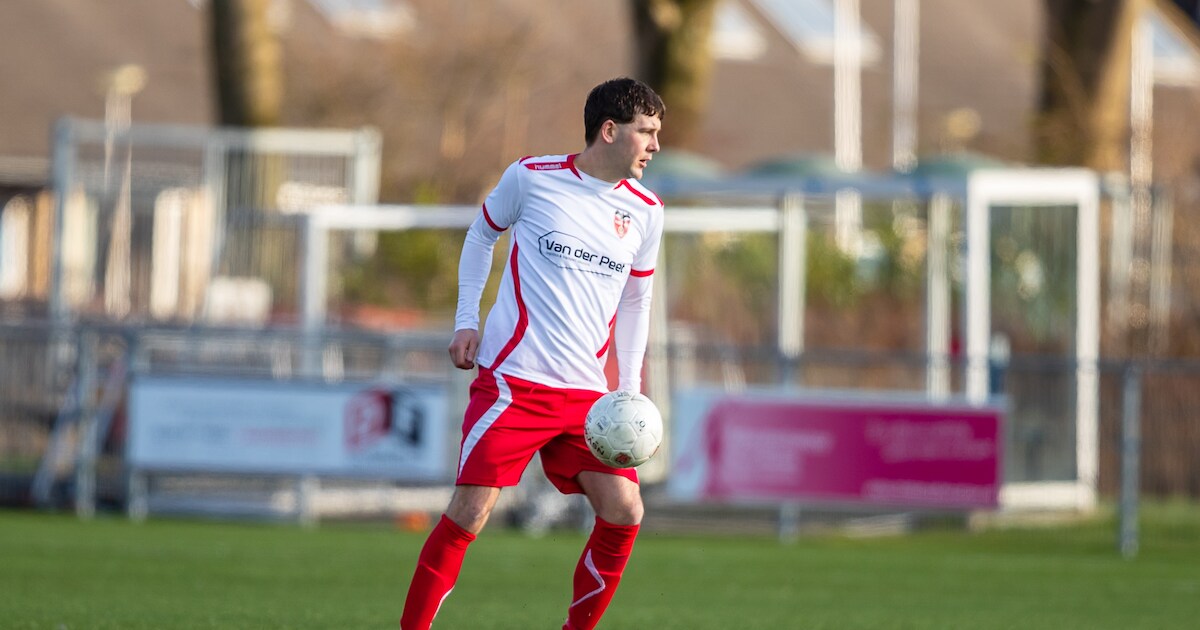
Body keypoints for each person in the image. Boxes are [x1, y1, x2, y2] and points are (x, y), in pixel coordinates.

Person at [400, 77, 666, 630]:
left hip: (588, 400)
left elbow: (639, 300)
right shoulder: (532, 178)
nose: (654, 146)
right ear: (609, 130)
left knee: (625, 511)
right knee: (471, 514)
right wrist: (466, 321)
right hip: (512, 384)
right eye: (647, 132)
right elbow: (480, 237)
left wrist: (629, 391)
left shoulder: (645, 210)